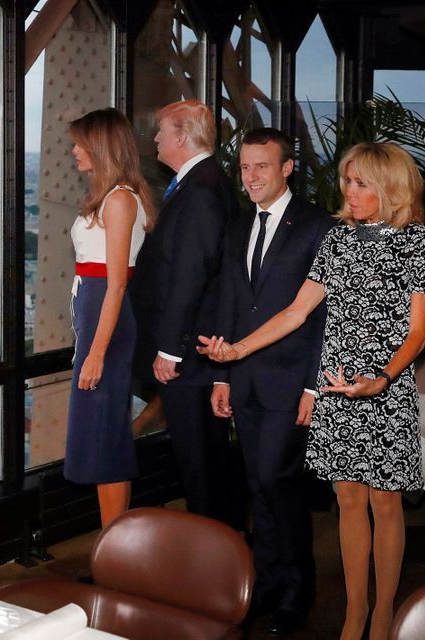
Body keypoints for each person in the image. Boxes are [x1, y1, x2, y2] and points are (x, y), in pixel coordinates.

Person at [198, 141, 425, 640]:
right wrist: (238, 351)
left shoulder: (420, 243)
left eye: (360, 183)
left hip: (385, 388)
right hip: (336, 384)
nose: (349, 192)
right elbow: (295, 312)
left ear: (389, 186)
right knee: (348, 501)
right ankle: (355, 614)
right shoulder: (338, 241)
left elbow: (418, 332)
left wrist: (385, 377)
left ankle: (382, 614)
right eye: (347, 181)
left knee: (385, 503)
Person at [213, 128, 334, 634]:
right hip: (245, 380)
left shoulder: (319, 226)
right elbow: (232, 301)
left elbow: (328, 318)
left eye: (262, 166)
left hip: (292, 382)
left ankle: (297, 588)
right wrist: (223, 374)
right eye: (244, 167)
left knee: (277, 481)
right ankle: (265, 583)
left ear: (286, 169)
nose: (251, 177)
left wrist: (313, 385)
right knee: (257, 486)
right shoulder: (239, 227)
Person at [129, 99, 239, 523]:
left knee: (200, 466)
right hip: (196, 352)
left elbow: (190, 275)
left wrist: (170, 350)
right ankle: (220, 557)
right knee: (205, 464)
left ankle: (213, 569)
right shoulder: (206, 183)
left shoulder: (200, 191)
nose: (154, 138)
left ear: (181, 138)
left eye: (160, 131)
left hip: (189, 357)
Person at [64, 108, 156, 527]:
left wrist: (97, 352)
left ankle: (114, 550)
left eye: (81, 143)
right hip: (97, 315)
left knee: (107, 439)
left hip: (106, 318)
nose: (74, 150)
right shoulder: (113, 196)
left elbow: (116, 283)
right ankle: (112, 547)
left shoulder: (119, 199)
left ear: (101, 146)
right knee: (104, 437)